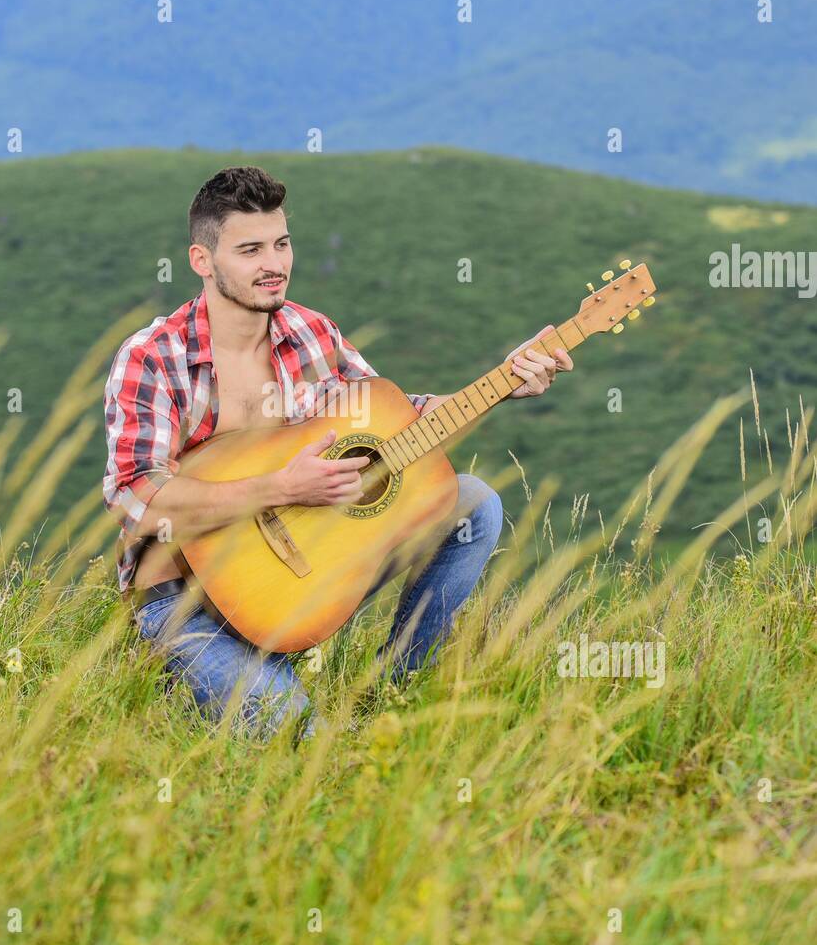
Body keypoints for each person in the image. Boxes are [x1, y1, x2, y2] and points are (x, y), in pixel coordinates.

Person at [103, 166, 572, 736]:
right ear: (203, 260)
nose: (273, 264)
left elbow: (395, 424)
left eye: (281, 243)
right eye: (250, 250)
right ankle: (205, 674)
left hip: (299, 578)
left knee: (472, 503)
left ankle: (395, 691)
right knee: (310, 746)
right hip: (181, 601)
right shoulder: (154, 355)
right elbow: (138, 496)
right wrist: (280, 488)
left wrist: (503, 383)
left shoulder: (308, 332)